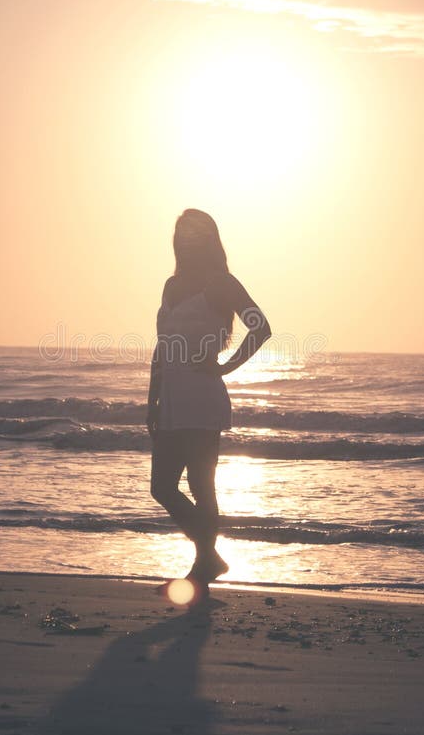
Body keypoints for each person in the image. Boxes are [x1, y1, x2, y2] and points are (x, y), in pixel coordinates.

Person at [147, 209, 271, 601]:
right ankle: (209, 557)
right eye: (181, 232)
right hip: (171, 398)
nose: (185, 238)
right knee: (162, 487)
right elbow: (162, 346)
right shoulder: (171, 285)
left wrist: (224, 367)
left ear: (207, 238)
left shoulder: (222, 283)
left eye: (193, 232)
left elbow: (262, 328)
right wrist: (152, 399)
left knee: (202, 485)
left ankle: (203, 567)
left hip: (202, 397)